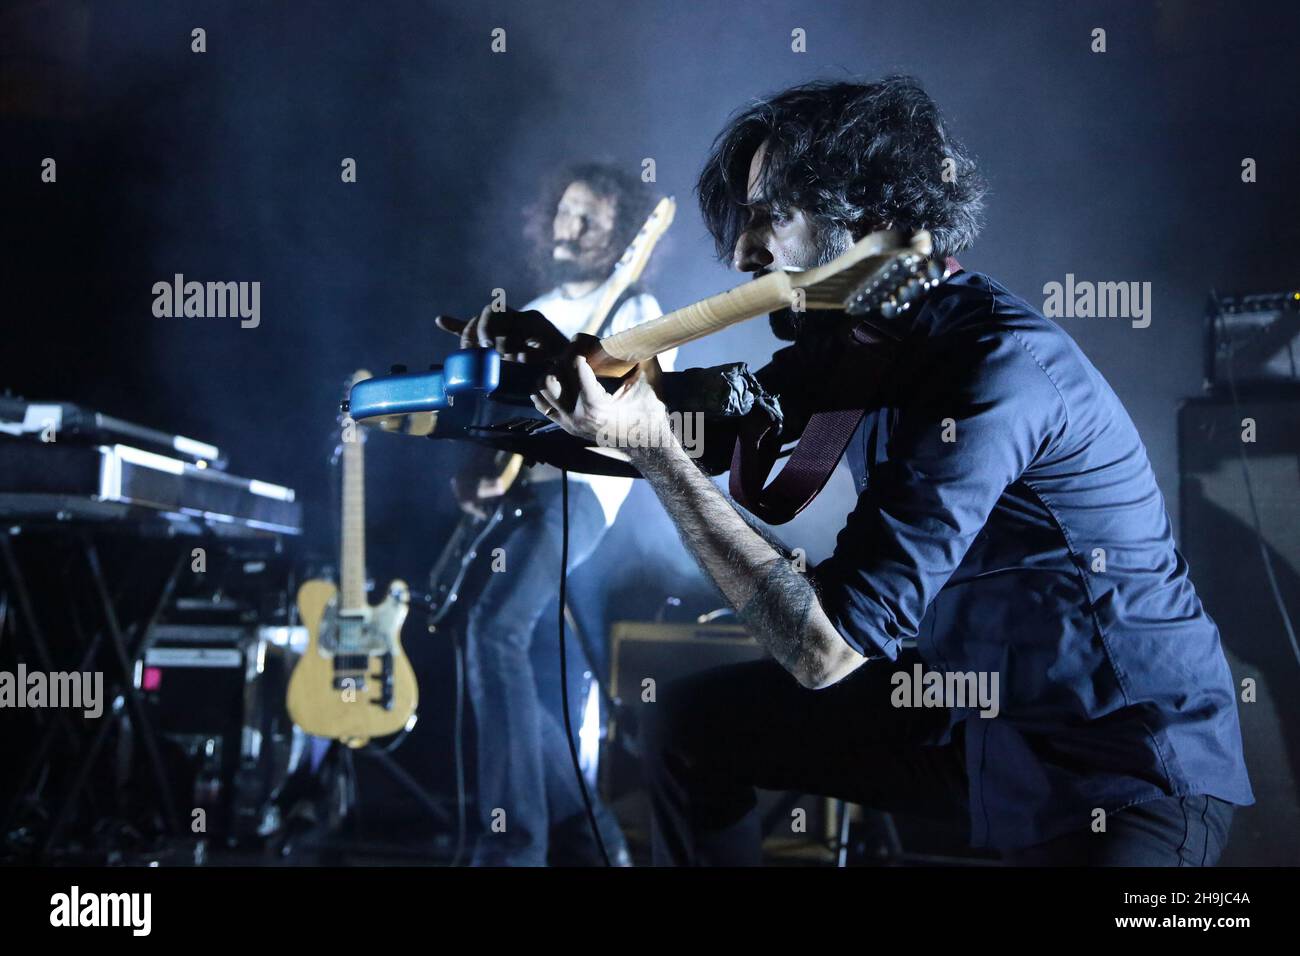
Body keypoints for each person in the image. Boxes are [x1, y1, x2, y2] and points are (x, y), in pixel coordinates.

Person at [523, 77, 1253, 866]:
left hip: (1123, 766)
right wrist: (543, 392)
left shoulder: (989, 364)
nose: (743, 253)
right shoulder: (864, 343)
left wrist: (653, 445)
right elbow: (701, 423)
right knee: (693, 727)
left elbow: (823, 649)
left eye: (774, 214)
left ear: (868, 217)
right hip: (970, 718)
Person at [439, 162, 672, 866]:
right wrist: (476, 472)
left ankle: (512, 851)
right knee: (480, 636)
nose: (571, 228)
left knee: (495, 629)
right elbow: (497, 421)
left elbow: (639, 406)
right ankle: (593, 832)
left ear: (620, 234)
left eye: (590, 218)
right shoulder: (533, 308)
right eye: (565, 212)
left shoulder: (635, 306)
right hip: (518, 492)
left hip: (577, 490)